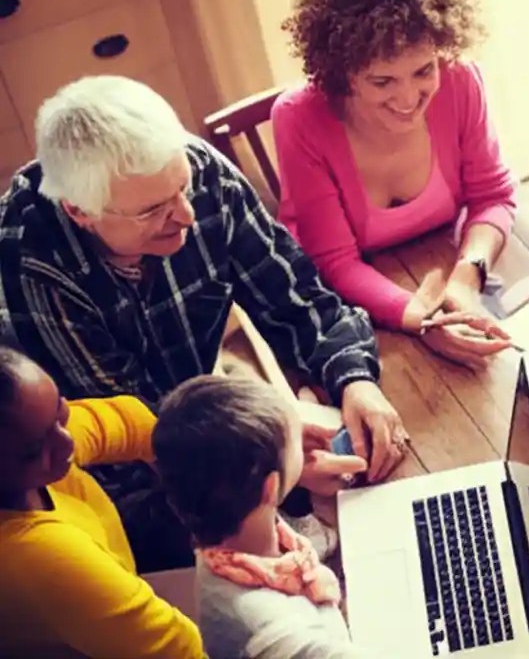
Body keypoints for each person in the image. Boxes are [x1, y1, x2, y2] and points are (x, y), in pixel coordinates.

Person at [0, 75, 407, 568]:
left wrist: (355, 380)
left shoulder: (196, 170)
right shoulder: (32, 260)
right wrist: (268, 465)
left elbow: (298, 298)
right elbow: (137, 433)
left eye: (183, 187)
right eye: (155, 210)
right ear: (81, 212)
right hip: (106, 477)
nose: (188, 214)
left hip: (198, 407)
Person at [274, 0, 516, 370]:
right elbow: (334, 261)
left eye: (424, 71)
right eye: (382, 81)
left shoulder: (461, 80)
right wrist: (420, 320)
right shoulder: (298, 119)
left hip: (438, 261)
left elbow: (493, 195)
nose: (409, 98)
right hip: (351, 308)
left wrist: (467, 278)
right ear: (341, 74)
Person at [0, 346, 202, 658]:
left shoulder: (37, 440)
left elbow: (130, 420)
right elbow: (179, 648)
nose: (66, 442)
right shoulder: (40, 557)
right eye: (34, 452)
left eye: (60, 411)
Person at [154, 374, 367, 658]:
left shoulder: (221, 537)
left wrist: (280, 448)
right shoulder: (281, 635)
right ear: (271, 487)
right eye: (295, 439)